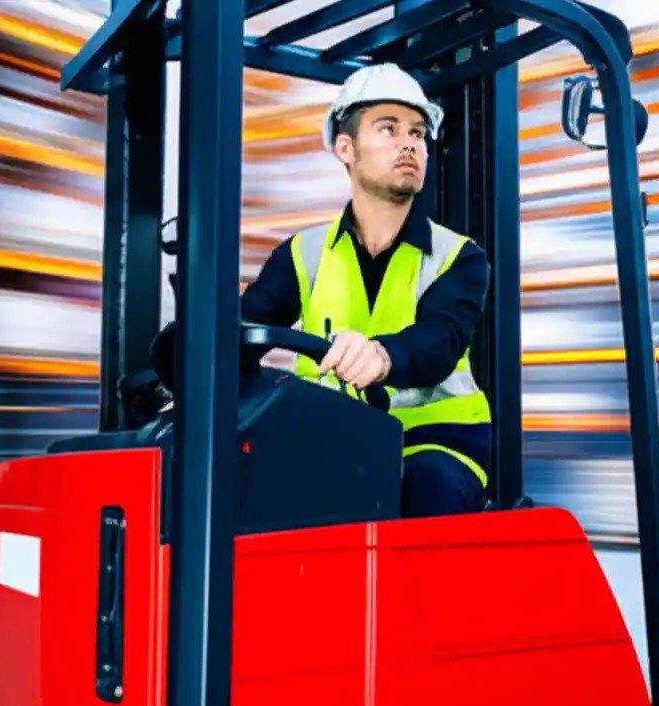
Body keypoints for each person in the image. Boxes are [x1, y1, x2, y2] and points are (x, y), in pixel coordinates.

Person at [154, 63, 492, 518]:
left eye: (417, 132)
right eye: (388, 129)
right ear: (345, 148)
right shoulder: (302, 253)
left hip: (435, 438)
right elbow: (249, 322)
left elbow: (440, 340)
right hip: (335, 434)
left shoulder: (459, 256)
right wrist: (190, 358)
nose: (409, 143)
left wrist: (382, 355)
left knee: (424, 493)